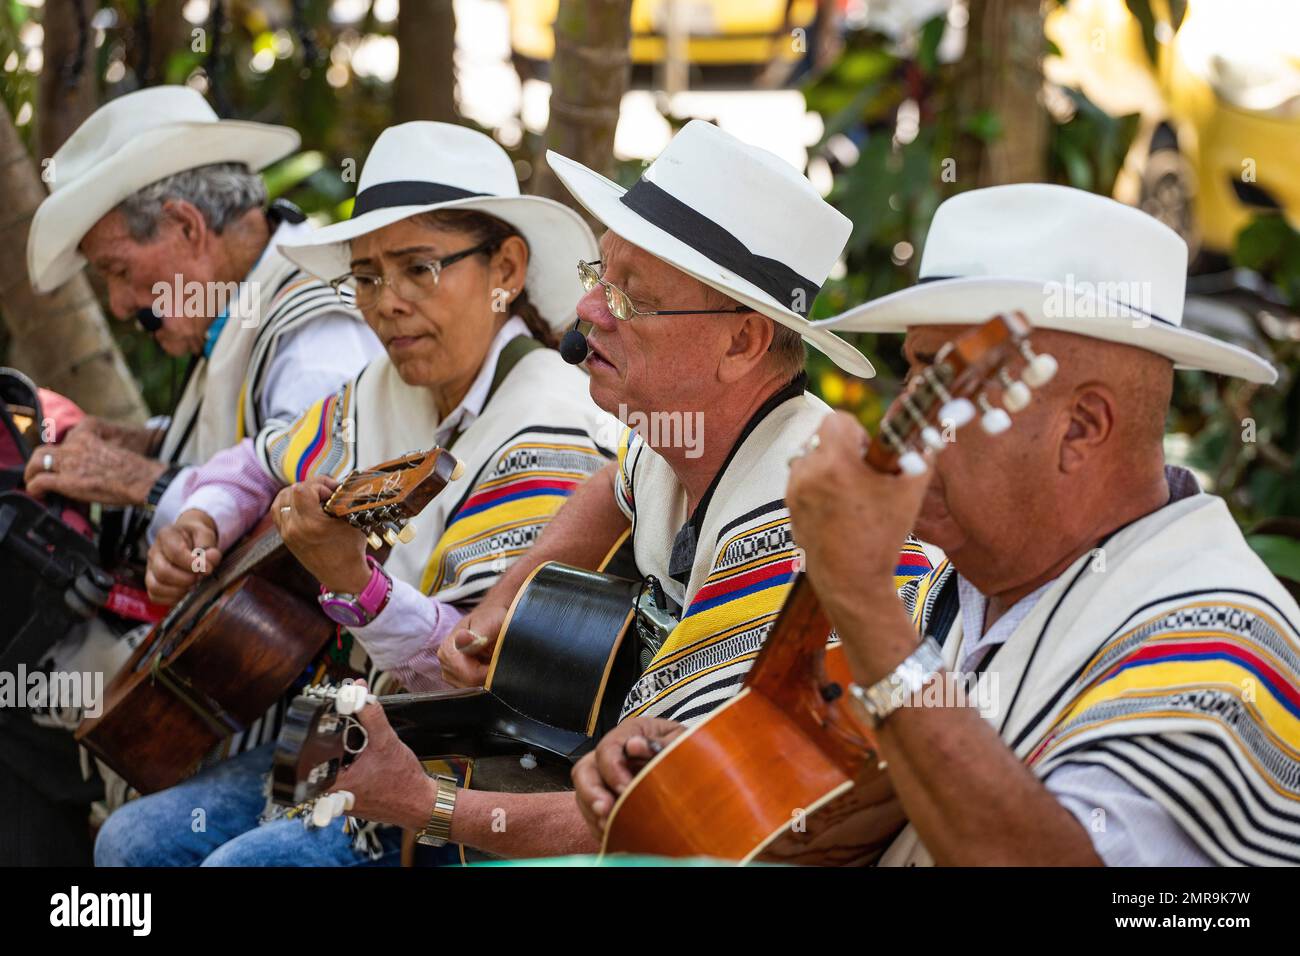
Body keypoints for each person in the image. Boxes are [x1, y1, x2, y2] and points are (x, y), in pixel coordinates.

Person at [577, 183, 1300, 866]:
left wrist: (861, 598)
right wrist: (705, 768)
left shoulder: (1220, 641)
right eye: (911, 376)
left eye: (938, 386)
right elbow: (897, 789)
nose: (900, 421)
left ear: (1080, 428)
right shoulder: (975, 592)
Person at [292, 120, 930, 862]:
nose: (587, 311)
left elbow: (667, 815)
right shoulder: (678, 439)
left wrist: (422, 804)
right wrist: (507, 601)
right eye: (599, 276)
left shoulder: (789, 518)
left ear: (742, 343)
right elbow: (613, 487)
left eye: (631, 300)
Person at [94, 121, 614, 867]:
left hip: (472, 778)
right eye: (367, 276)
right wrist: (204, 516)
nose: (386, 303)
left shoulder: (550, 427)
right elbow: (260, 459)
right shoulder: (378, 389)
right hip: (347, 732)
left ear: (505, 267)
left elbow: (481, 679)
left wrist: (354, 587)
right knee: (131, 841)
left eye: (418, 269)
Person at [23, 85, 379, 543]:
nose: (119, 303)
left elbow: (313, 513)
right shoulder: (239, 304)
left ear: (187, 227)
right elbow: (245, 438)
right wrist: (149, 442)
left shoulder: (314, 333)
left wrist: (141, 479)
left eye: (118, 269)